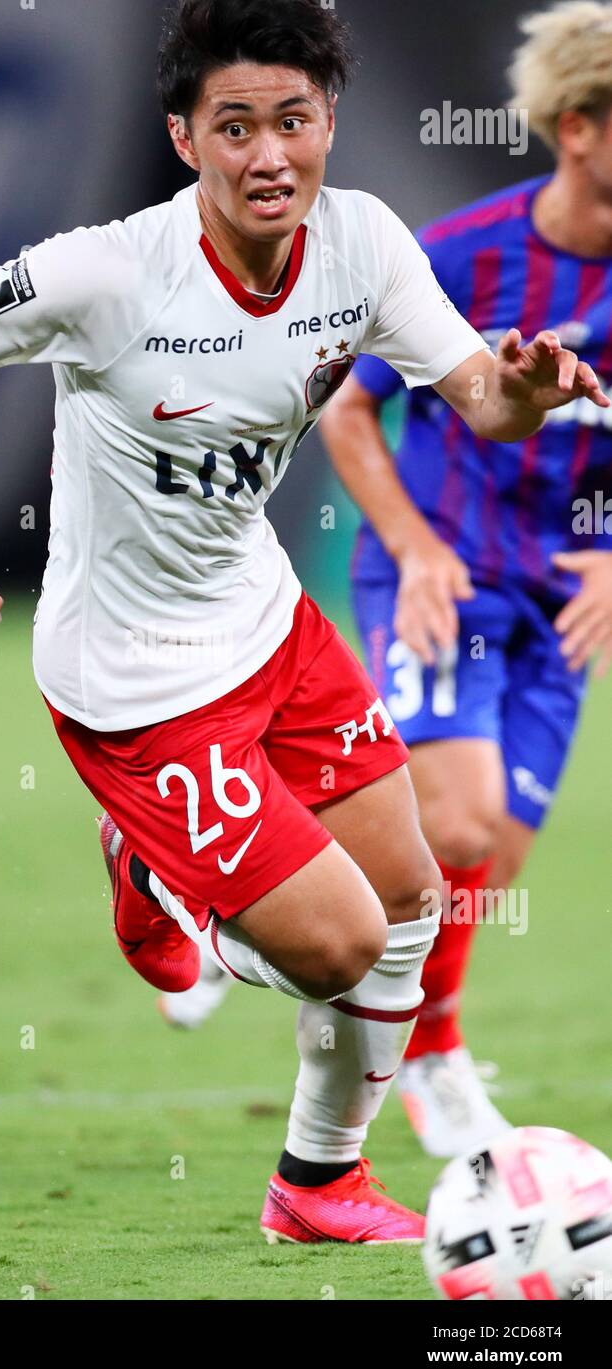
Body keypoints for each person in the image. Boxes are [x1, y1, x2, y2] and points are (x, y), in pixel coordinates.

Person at [0, 0, 608, 1244]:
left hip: (268, 626)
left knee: (414, 908)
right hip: (134, 682)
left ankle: (313, 1188)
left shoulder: (360, 245)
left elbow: (477, 397)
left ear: (328, 125)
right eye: (235, 126)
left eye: (294, 122)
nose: (269, 154)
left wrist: (521, 393)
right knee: (341, 945)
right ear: (182, 136)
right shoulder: (107, 273)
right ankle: (154, 862)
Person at [318, 0, 612, 1159]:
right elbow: (350, 414)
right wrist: (418, 545)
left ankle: (248, 879)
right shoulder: (462, 255)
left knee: (485, 863)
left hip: (562, 597)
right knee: (456, 817)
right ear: (578, 126)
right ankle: (431, 1063)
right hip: (438, 571)